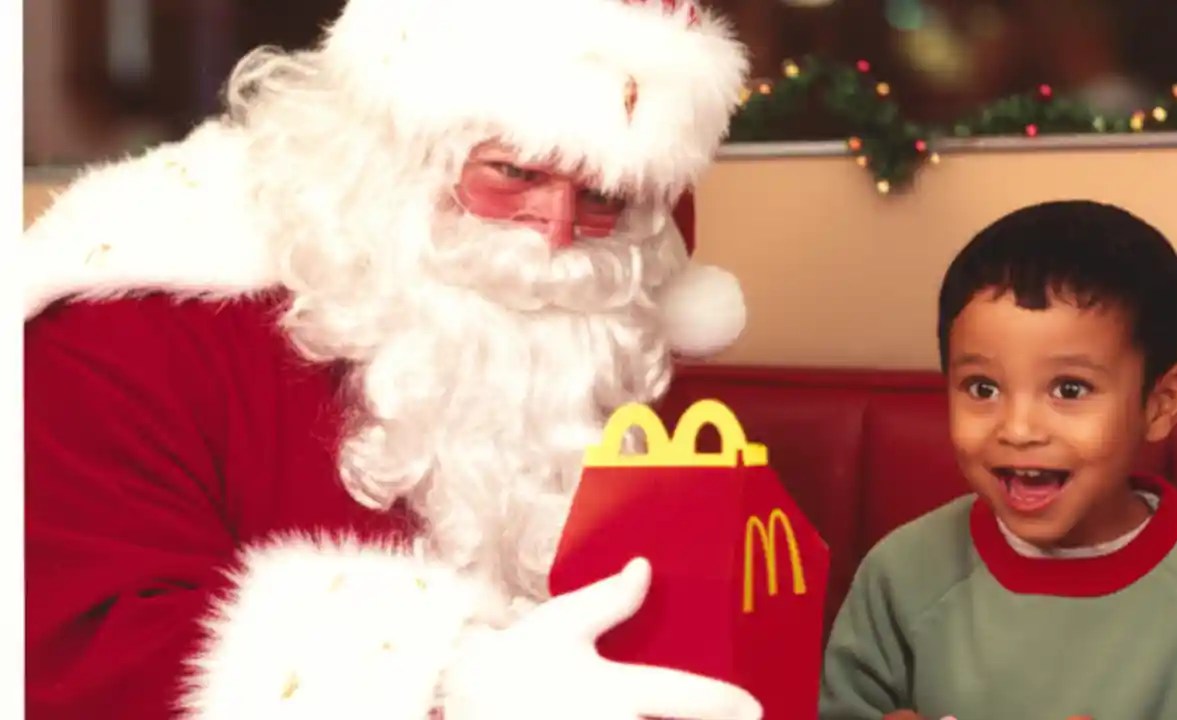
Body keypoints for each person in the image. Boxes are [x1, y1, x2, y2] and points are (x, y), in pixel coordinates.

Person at [22, 0, 765, 717]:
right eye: (513, 174)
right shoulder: (131, 327)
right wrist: (445, 691)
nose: (557, 230)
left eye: (601, 194)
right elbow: (79, 654)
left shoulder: (595, 321)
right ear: (397, 157)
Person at [817, 200, 1177, 720]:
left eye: (1070, 389)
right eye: (982, 388)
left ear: (1161, 403)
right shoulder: (900, 573)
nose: (1018, 429)